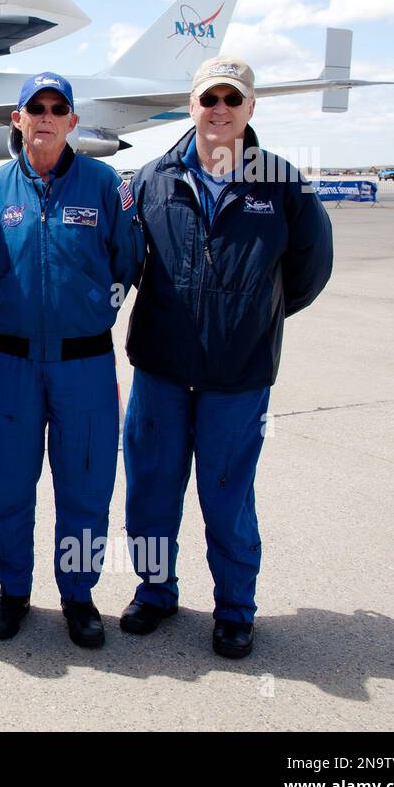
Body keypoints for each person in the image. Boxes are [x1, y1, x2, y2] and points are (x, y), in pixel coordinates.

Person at [122, 56, 333, 659]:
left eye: (231, 99)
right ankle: (155, 591)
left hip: (238, 379)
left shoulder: (283, 183)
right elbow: (127, 261)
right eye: (208, 98)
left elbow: (309, 271)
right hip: (161, 368)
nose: (219, 109)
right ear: (191, 105)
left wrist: (251, 319)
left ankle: (235, 608)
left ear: (249, 108)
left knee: (227, 495)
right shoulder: (151, 179)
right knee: (152, 490)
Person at [0, 73, 144, 646]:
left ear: (73, 121)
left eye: (57, 108)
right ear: (16, 120)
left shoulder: (104, 185)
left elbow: (127, 261)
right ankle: (12, 590)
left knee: (86, 484)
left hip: (85, 366)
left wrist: (90, 307)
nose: (45, 117)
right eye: (34, 108)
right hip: (13, 363)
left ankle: (79, 594)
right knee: (7, 484)